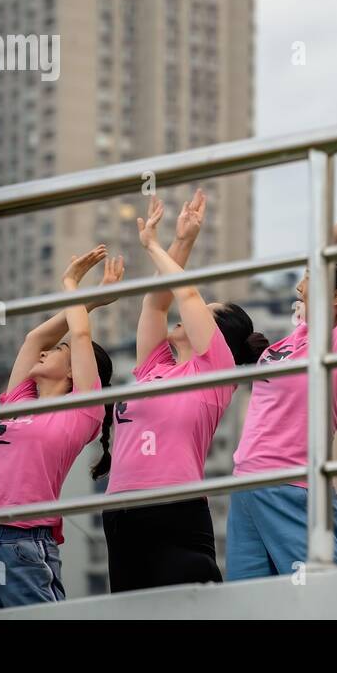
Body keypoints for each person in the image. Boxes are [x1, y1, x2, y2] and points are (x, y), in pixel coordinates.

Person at [227, 147, 337, 579]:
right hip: (246, 484)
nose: (303, 278)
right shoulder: (297, 336)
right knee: (250, 608)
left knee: (319, 598)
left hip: (295, 487)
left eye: (314, 274)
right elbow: (328, 244)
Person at [101, 190, 266, 591]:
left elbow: (185, 293)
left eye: (204, 313)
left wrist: (154, 246)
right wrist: (184, 239)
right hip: (120, 512)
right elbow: (155, 306)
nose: (188, 310)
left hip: (175, 510)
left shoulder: (215, 371)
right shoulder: (156, 366)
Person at [0, 246, 122, 612]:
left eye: (57, 351)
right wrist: (90, 300)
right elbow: (35, 338)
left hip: (22, 544)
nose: (45, 353)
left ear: (76, 370)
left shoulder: (81, 412)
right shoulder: (19, 400)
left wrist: (71, 282)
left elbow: (80, 337)